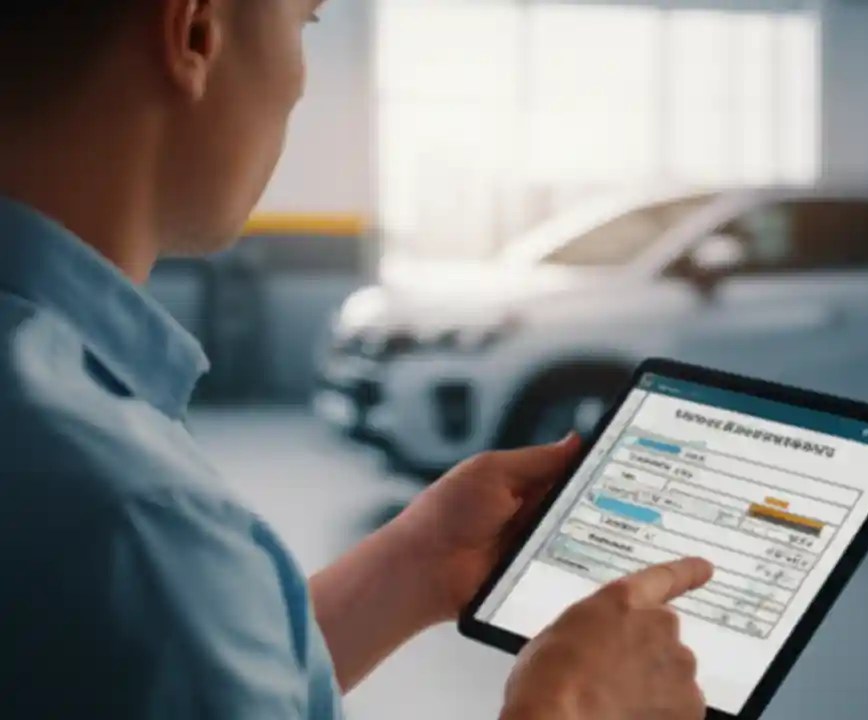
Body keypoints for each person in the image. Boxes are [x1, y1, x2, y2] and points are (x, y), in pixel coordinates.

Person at [0, 1, 714, 718]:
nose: (300, 85)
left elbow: (155, 674)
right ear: (195, 31)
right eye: (304, 21)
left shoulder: (110, 510)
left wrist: (417, 562)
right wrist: (569, 706)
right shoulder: (138, 521)